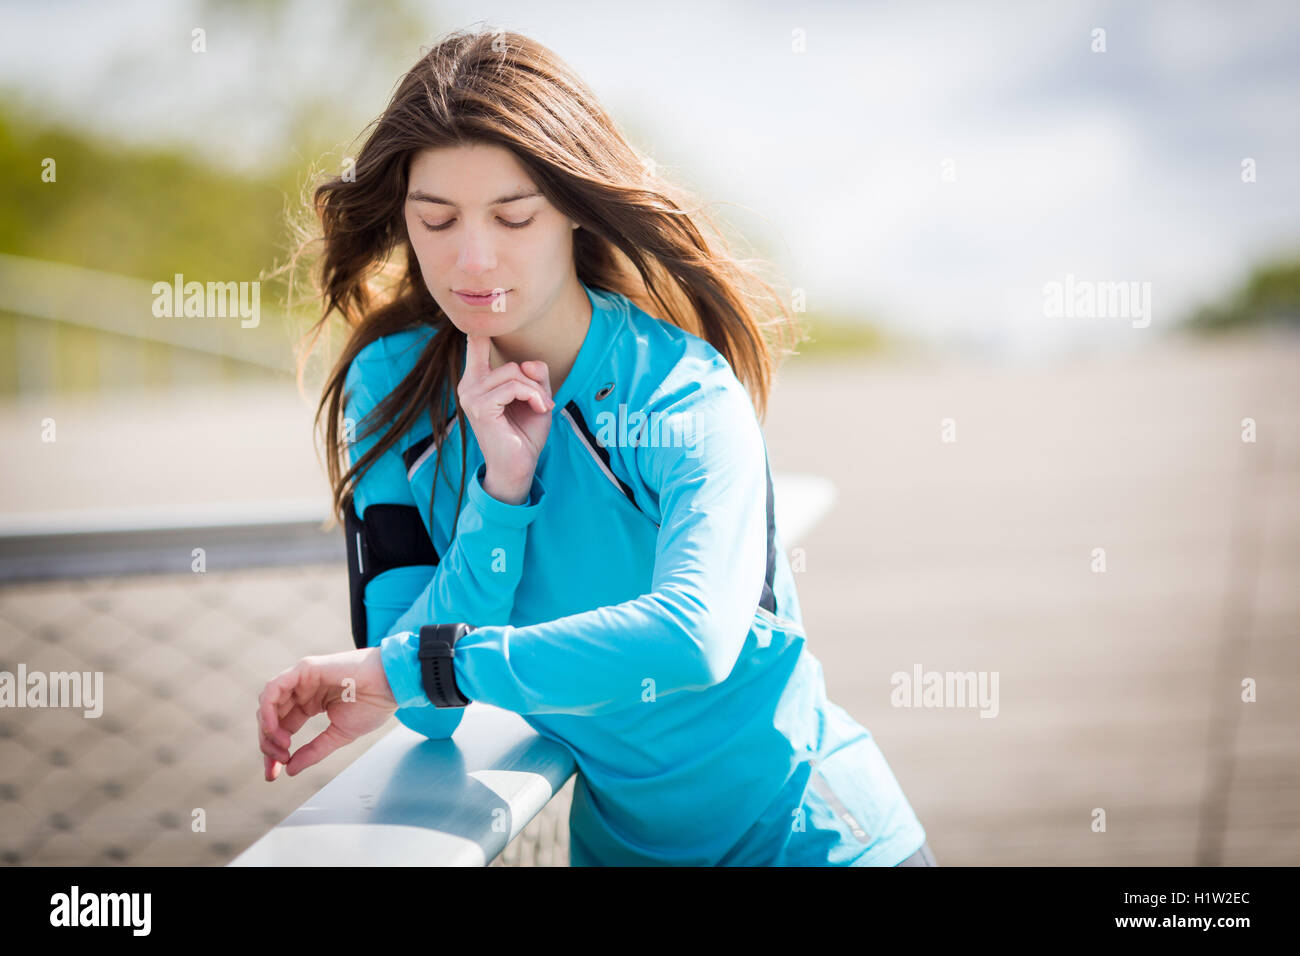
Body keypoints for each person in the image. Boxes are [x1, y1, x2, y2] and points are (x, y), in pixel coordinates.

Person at [258, 26, 936, 867]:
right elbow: (430, 707)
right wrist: (496, 505)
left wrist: (422, 667)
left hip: (814, 842)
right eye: (436, 221)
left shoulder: (682, 390)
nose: (473, 258)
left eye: (513, 216)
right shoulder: (392, 388)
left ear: (573, 206)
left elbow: (691, 636)